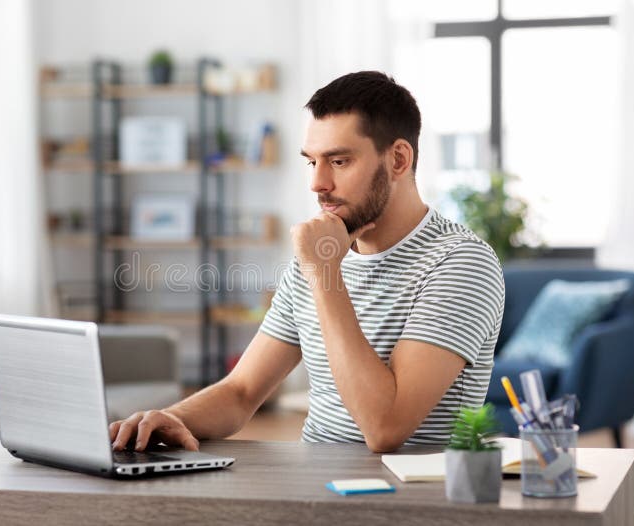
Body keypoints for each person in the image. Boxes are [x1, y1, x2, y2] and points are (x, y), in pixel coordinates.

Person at [109, 71, 505, 454]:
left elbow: (385, 429)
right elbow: (242, 391)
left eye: (339, 161)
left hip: (414, 500)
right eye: (311, 161)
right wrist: (166, 418)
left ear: (399, 159)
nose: (317, 183)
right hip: (316, 487)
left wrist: (325, 272)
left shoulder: (461, 263)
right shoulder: (317, 256)